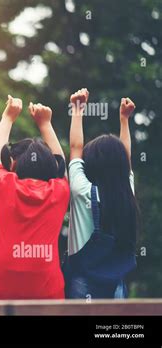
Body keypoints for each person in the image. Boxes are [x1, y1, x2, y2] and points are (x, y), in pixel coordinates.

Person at [0, 95, 69, 299]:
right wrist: (45, 124)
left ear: (12, 165)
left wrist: (8, 117)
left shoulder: (4, 185)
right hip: (47, 293)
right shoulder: (59, 191)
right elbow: (62, 166)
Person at [65, 88, 138, 299]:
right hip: (117, 286)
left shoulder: (82, 192)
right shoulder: (127, 192)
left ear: (91, 165)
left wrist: (78, 109)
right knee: (112, 332)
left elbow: (75, 147)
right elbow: (126, 158)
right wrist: (124, 121)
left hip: (83, 285)